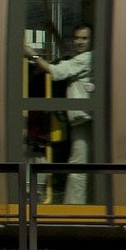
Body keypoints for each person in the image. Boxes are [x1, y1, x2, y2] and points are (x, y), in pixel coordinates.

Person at [27, 24, 95, 204]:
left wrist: (32, 54)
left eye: (84, 38)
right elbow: (70, 57)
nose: (79, 42)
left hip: (84, 120)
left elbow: (57, 71)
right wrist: (55, 34)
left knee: (78, 165)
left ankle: (74, 206)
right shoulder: (85, 57)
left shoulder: (88, 58)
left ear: (92, 40)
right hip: (81, 119)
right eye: (77, 38)